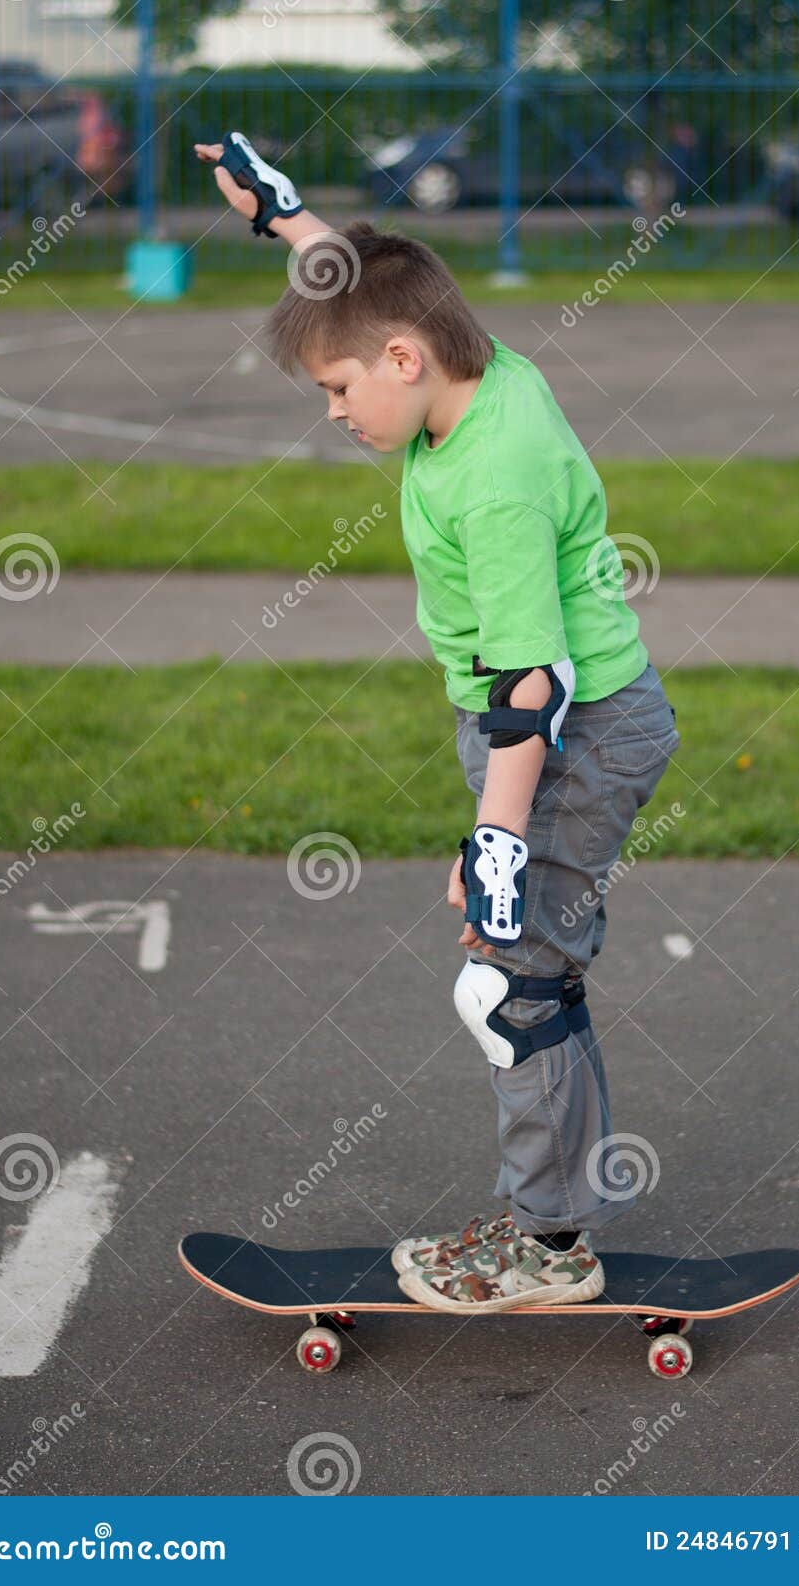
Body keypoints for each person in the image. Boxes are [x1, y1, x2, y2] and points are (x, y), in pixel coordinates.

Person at [195, 133, 682, 1315]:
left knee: (512, 989)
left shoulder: (495, 474)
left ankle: (547, 1246)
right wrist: (291, 219)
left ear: (402, 362)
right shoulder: (465, 372)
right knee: (533, 980)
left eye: (338, 389)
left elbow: (531, 684)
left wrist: (496, 844)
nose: (334, 412)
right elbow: (374, 298)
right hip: (542, 725)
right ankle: (555, 1214)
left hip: (570, 732)